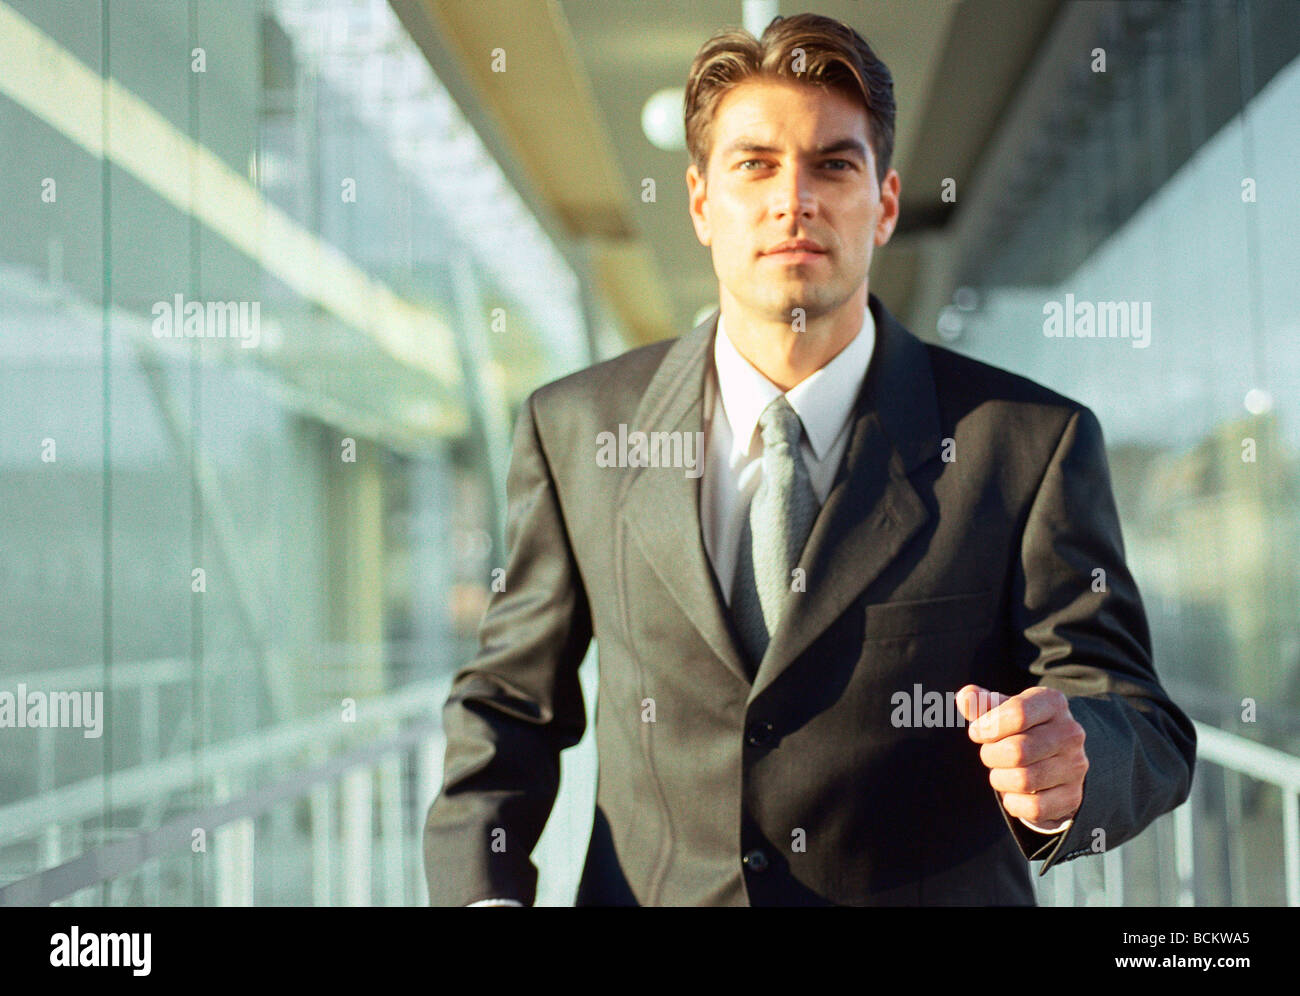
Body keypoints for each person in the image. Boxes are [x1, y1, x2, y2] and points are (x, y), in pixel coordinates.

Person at [422, 11, 1195, 906]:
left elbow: (1138, 716)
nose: (795, 198)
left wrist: (1075, 770)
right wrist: (484, 894)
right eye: (755, 163)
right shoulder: (577, 429)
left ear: (887, 202)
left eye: (834, 163)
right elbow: (509, 706)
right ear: (703, 203)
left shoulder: (1025, 442)